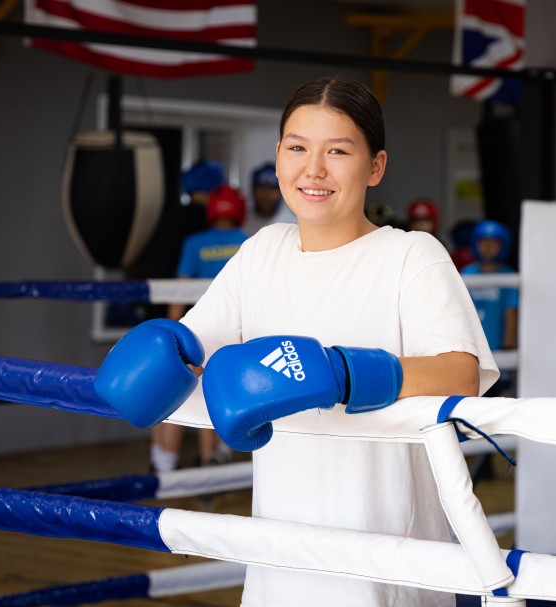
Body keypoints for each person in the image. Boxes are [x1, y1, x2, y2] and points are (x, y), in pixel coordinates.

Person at [95, 76, 498, 607]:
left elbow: (459, 373)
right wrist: (155, 357)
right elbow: (188, 346)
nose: (314, 170)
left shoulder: (411, 255)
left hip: (387, 553)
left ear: (375, 166)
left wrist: (340, 374)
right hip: (282, 545)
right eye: (297, 148)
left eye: (338, 151)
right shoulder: (263, 251)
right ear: (279, 155)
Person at [150, 183, 249, 475]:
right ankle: (212, 460)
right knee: (219, 392)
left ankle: (164, 467)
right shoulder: (247, 242)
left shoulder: (195, 242)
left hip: (199, 329)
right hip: (237, 331)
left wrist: (172, 329)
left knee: (178, 396)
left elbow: (180, 289)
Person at [461, 219, 519, 397]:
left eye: (493, 243)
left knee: (496, 401)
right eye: (483, 242)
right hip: (471, 349)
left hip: (497, 349)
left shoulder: (509, 276)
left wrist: (507, 348)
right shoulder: (466, 273)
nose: (487, 248)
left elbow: (511, 314)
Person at [241, 161, 297, 235]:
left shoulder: (292, 225)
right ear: (253, 190)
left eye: (272, 188)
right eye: (262, 187)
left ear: (281, 191)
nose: (266, 193)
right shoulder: (242, 221)